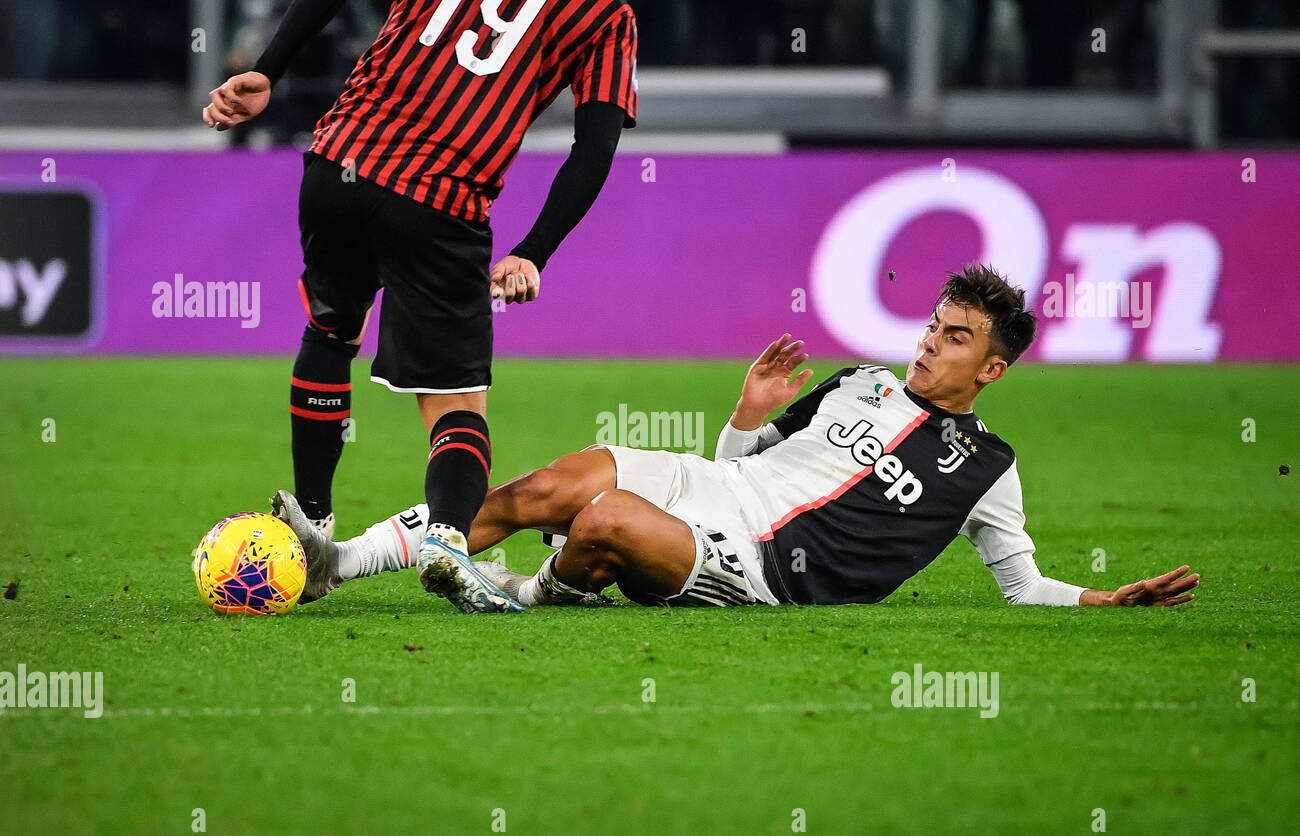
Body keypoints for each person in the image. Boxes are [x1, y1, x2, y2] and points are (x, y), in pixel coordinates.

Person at [273, 264, 1199, 611]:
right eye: (931, 325)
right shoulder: (860, 383)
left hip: (759, 563)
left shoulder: (989, 467)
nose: (929, 343)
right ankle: (336, 562)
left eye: (955, 338)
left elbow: (1021, 583)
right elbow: (735, 468)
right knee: (543, 487)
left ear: (991, 370)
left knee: (603, 521)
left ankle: (517, 594)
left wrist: (1109, 598)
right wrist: (749, 414)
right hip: (714, 490)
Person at [203, 0, 638, 613]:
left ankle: (314, 529)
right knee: (457, 399)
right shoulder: (606, 14)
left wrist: (269, 69)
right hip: (440, 194)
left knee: (330, 332)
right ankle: (448, 539)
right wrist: (534, 250)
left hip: (339, 162)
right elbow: (595, 146)